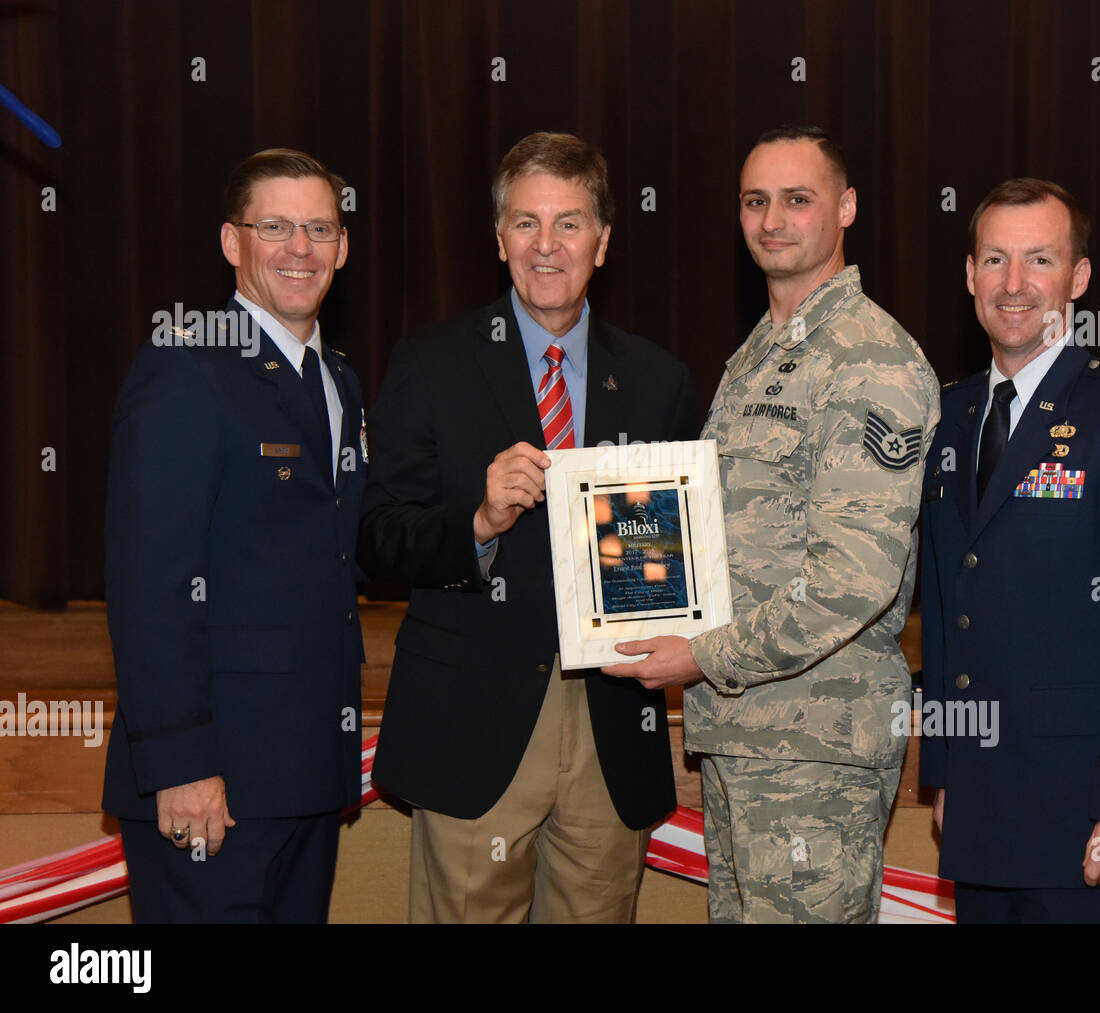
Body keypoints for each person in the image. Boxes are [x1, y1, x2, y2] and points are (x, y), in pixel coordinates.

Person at [358, 132, 696, 923]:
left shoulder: (659, 382)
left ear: (604, 241)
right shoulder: (430, 362)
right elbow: (376, 539)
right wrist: (476, 522)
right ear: (498, 237)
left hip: (613, 725)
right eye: (526, 223)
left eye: (570, 223)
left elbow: (674, 558)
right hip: (472, 725)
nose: (547, 246)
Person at [605, 126, 940, 923]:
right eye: (756, 201)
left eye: (798, 199)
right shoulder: (764, 351)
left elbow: (851, 581)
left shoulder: (869, 358)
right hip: (748, 731)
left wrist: (701, 653)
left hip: (813, 744)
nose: (772, 219)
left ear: (846, 207)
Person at [918, 178, 1100, 923]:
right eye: (994, 260)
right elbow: (953, 608)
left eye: (1040, 260)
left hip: (1093, 825)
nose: (1014, 285)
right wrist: (949, 771)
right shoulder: (950, 416)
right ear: (969, 275)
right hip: (984, 819)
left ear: (1078, 279)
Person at [102, 148, 365, 922]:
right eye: (275, 226)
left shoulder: (338, 382)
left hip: (307, 775)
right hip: (212, 783)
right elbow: (150, 579)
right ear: (231, 241)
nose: (300, 249)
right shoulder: (186, 363)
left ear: (343, 248)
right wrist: (180, 763)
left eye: (320, 228)